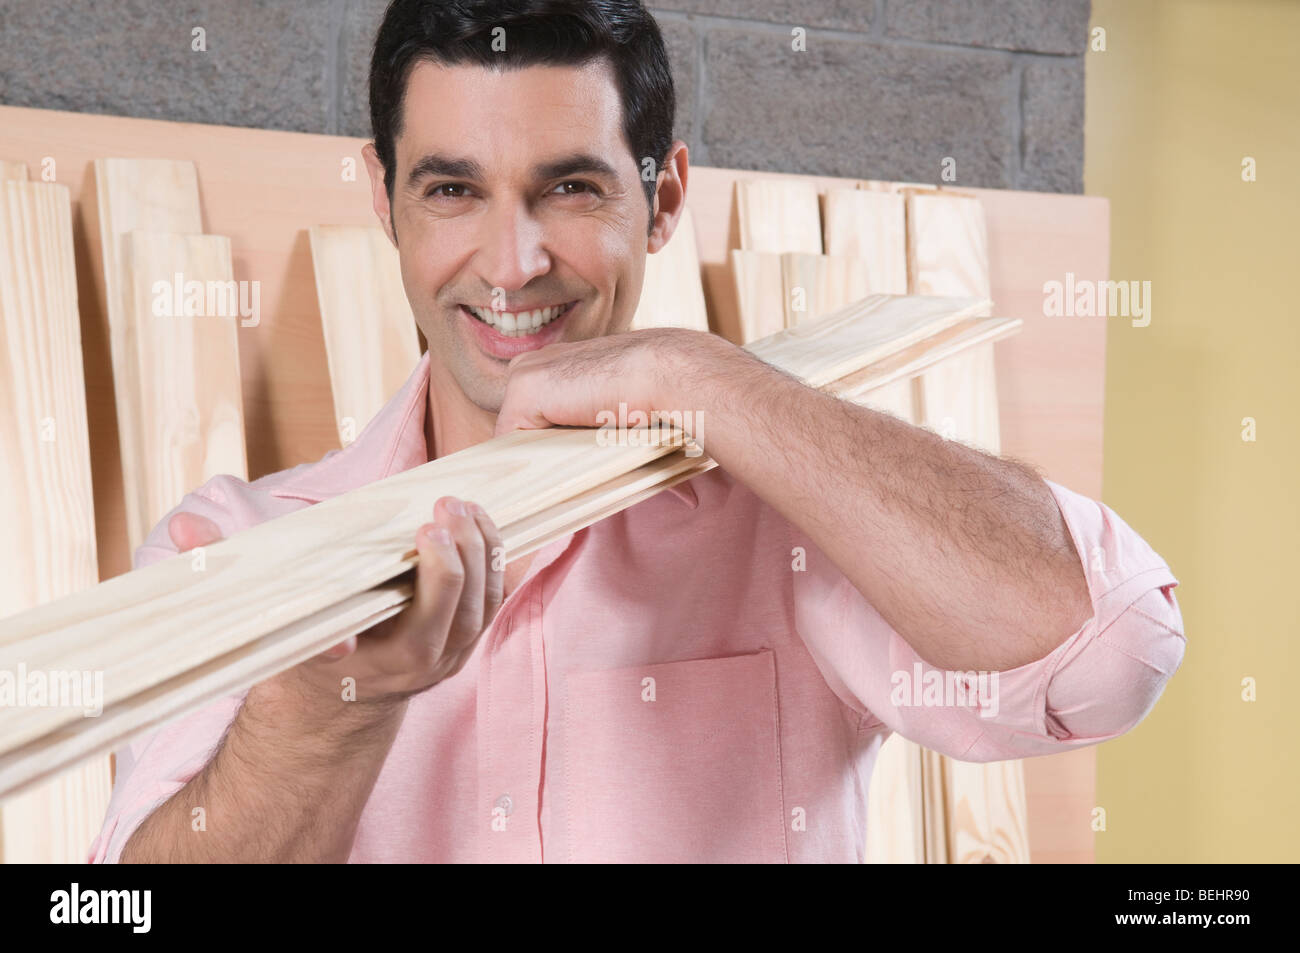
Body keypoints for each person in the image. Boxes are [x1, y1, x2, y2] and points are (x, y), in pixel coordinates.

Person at [93, 0, 1184, 863]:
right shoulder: (236, 554)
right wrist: (326, 705)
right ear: (382, 197)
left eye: (569, 187)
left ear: (663, 199)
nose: (512, 262)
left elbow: (1113, 652)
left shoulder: (786, 528)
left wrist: (701, 376)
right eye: (452, 190)